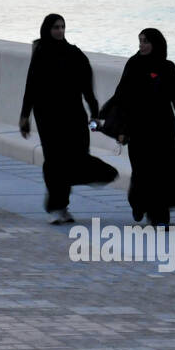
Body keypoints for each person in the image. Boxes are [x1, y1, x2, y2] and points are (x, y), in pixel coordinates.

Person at [18, 14, 119, 224]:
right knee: (55, 162)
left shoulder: (74, 54)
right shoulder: (40, 53)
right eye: (56, 27)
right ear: (47, 29)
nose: (60, 31)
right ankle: (58, 208)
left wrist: (95, 113)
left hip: (73, 116)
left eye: (63, 27)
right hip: (48, 118)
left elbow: (87, 87)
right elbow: (32, 86)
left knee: (76, 158)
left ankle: (60, 201)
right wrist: (24, 116)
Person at [113, 27, 175, 228]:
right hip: (138, 128)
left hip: (163, 128)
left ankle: (159, 217)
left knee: (162, 171)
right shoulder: (133, 65)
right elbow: (122, 97)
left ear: (156, 44)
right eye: (140, 41)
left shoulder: (168, 68)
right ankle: (139, 203)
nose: (141, 45)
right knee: (142, 171)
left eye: (146, 41)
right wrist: (122, 129)